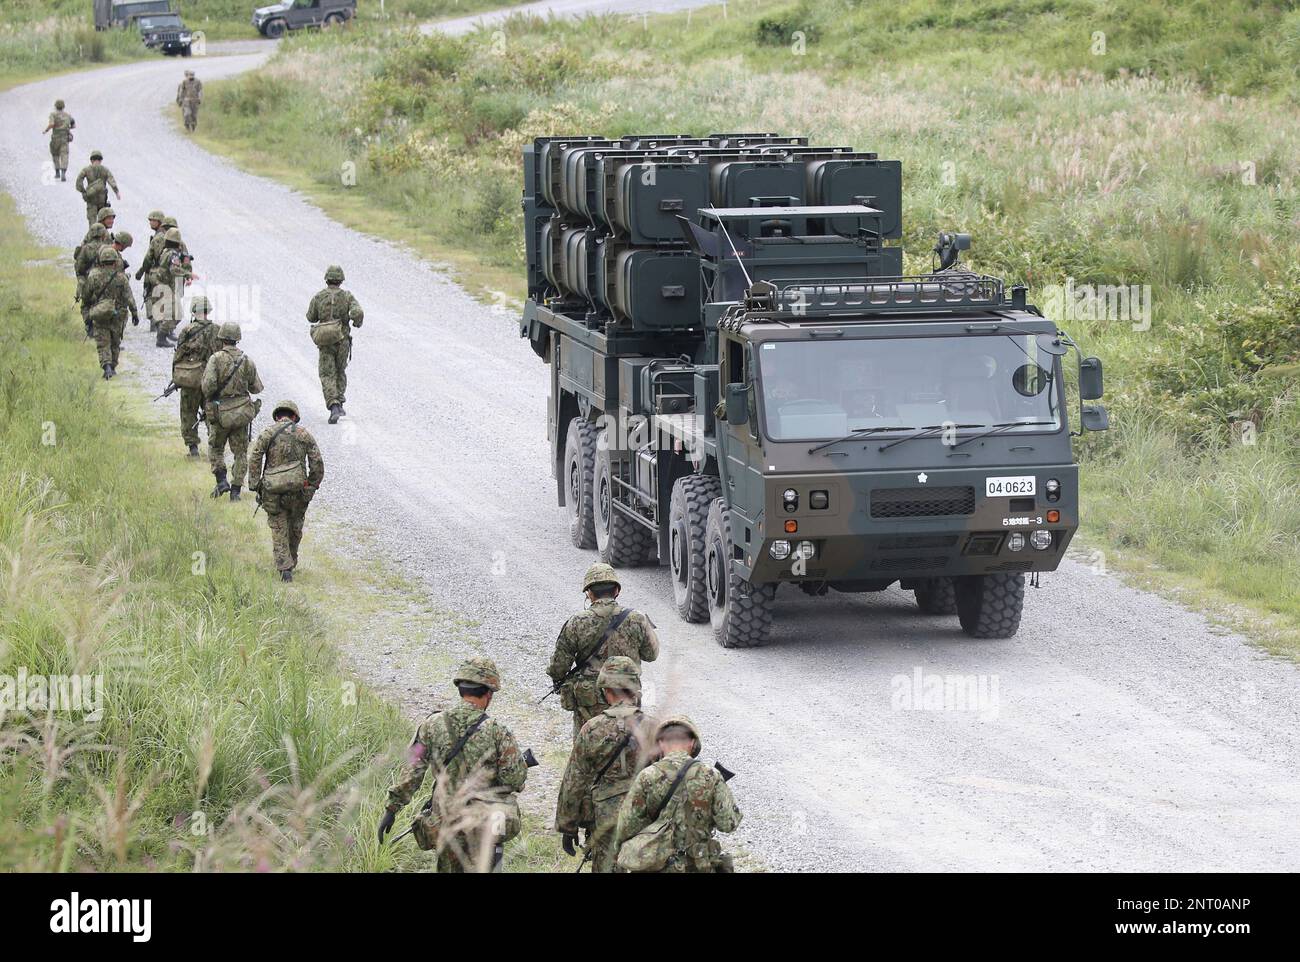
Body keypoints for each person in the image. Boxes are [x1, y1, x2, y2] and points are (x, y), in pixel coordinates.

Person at [379, 658, 529, 873]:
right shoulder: (498, 731)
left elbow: (411, 772)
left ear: (460, 689)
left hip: (446, 821)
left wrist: (392, 809)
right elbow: (514, 779)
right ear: (488, 694)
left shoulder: (432, 725)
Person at [555, 656, 654, 872]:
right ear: (635, 689)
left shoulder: (592, 728)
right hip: (645, 815)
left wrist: (568, 826)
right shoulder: (654, 727)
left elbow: (575, 780)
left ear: (605, 691)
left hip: (604, 818)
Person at [613, 715, 742, 873]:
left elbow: (627, 825)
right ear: (693, 742)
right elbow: (728, 823)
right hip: (699, 865)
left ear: (660, 743)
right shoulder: (711, 775)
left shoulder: (647, 776)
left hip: (655, 864)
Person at [547, 562, 659, 739]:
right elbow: (651, 655)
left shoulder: (576, 622)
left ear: (589, 593)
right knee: (628, 746)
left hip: (588, 701)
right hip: (626, 694)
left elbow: (558, 667)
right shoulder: (637, 618)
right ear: (616, 591)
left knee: (587, 746)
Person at [247, 400, 324, 582]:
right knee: (295, 527)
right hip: (298, 491)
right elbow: (317, 463)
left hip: (273, 491)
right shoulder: (304, 435)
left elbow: (255, 457)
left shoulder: (268, 433)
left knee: (278, 526)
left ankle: (285, 569)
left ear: (277, 416)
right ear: (294, 416)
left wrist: (255, 484)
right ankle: (292, 560)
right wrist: (311, 486)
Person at [201, 322, 263, 501]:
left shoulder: (215, 358)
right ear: (237, 339)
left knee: (216, 447)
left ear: (221, 339)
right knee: (241, 453)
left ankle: (221, 481)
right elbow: (256, 388)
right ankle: (236, 491)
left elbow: (208, 387)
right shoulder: (246, 360)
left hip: (220, 412)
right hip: (241, 414)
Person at [305, 265, 363, 424]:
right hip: (342, 339)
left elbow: (310, 317)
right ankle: (340, 401)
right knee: (340, 371)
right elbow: (358, 312)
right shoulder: (347, 297)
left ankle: (334, 405)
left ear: (327, 279)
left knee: (326, 373)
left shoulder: (319, 297)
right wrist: (356, 322)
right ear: (341, 280)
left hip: (325, 341)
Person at [171, 295, 221, 457]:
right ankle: (215, 446)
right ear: (208, 310)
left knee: (188, 412)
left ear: (194, 311)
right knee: (211, 414)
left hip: (191, 379)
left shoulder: (187, 330)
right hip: (211, 381)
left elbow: (178, 356)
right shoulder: (218, 330)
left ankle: (193, 448)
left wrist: (177, 377)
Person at [82, 244, 139, 379]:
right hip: (118, 315)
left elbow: (86, 297)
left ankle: (106, 366)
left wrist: (88, 315)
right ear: (115, 262)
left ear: (101, 261)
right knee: (115, 341)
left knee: (103, 342)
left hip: (100, 313)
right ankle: (113, 366)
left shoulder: (93, 276)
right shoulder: (121, 278)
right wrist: (135, 313)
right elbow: (129, 297)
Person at [150, 227, 192, 347]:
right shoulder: (173, 254)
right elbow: (174, 269)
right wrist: (187, 273)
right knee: (176, 313)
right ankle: (162, 337)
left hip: (162, 286)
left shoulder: (165, 252)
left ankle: (164, 333)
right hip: (166, 287)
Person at [73, 206, 116, 320]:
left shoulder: (94, 231)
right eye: (109, 218)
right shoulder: (104, 234)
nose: (111, 221)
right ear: (102, 219)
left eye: (112, 218)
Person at [74, 151, 120, 227]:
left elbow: (78, 182)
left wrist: (84, 191)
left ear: (91, 160)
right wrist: (117, 192)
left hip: (91, 199)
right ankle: (102, 236)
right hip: (102, 200)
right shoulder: (105, 170)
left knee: (92, 222)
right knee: (103, 221)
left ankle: (93, 237)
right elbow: (111, 181)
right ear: (101, 160)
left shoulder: (86, 169)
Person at [135, 210, 166, 318]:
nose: (150, 223)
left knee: (149, 292)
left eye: (153, 220)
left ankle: (153, 318)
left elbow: (149, 258)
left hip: (156, 269)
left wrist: (141, 271)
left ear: (160, 222)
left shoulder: (158, 237)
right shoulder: (168, 235)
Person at [42, 99, 75, 182]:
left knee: (55, 154)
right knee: (64, 154)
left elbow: (52, 124)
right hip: (64, 138)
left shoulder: (53, 114)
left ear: (55, 106)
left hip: (55, 138)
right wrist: (66, 128)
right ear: (63, 106)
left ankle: (57, 172)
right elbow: (73, 125)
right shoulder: (68, 115)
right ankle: (63, 172)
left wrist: (46, 130)